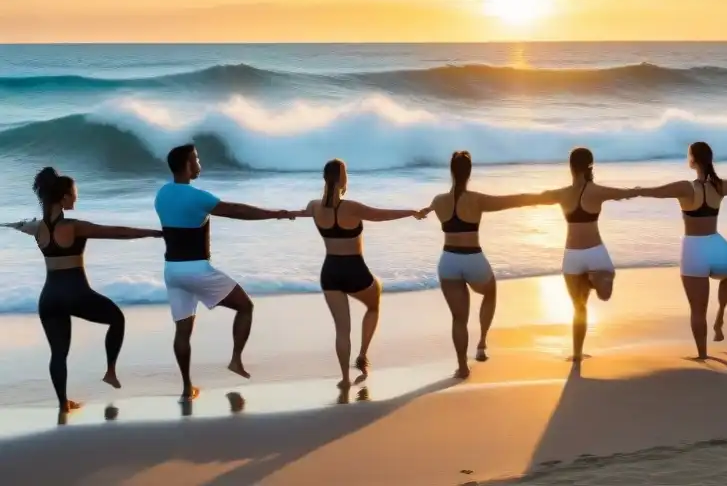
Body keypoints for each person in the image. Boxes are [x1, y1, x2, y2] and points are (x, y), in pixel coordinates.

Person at [1, 167, 162, 417]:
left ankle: (63, 404)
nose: (76, 198)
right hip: (76, 295)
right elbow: (117, 232)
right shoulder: (74, 227)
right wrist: (155, 233)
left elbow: (19, 224)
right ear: (63, 197)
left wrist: (8, 223)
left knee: (58, 354)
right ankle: (110, 371)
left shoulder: (36, 227)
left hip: (49, 299)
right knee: (116, 319)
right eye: (74, 194)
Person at [155, 143, 295, 400]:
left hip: (172, 270)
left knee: (182, 331)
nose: (200, 163)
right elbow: (237, 211)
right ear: (187, 165)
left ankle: (187, 388)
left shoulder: (161, 194)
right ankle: (236, 360)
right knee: (245, 306)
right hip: (196, 269)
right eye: (196, 158)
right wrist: (277, 214)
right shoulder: (198, 196)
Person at [290, 158, 429, 389]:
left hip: (330, 272)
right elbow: (381, 214)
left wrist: (283, 213)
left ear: (324, 178)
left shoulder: (314, 206)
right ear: (343, 179)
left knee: (342, 330)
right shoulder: (352, 207)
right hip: (355, 270)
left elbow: (301, 213)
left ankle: (344, 379)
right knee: (374, 303)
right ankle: (363, 354)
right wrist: (412, 212)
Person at [426, 151, 557, 379]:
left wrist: (421, 212)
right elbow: (511, 201)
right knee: (490, 291)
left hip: (448, 261)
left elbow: (426, 211)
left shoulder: (438, 201)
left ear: (451, 171)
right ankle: (482, 342)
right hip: (473, 258)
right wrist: (537, 198)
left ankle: (462, 367)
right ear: (469, 172)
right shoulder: (477, 199)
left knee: (458, 318)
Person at [634, 142, 727, 360]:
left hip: (694, 250)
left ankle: (703, 354)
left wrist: (634, 191)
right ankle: (720, 316)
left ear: (692, 160)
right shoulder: (721, 186)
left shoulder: (685, 188)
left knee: (697, 309)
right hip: (718, 247)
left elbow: (655, 192)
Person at [542, 147, 639, 362]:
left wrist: (508, 201)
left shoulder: (562, 194)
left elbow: (532, 199)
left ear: (570, 167)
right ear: (590, 166)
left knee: (579, 307)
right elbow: (623, 194)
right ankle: (597, 280)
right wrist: (638, 190)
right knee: (605, 291)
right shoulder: (596, 191)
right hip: (595, 252)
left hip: (572, 257)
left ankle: (576, 354)